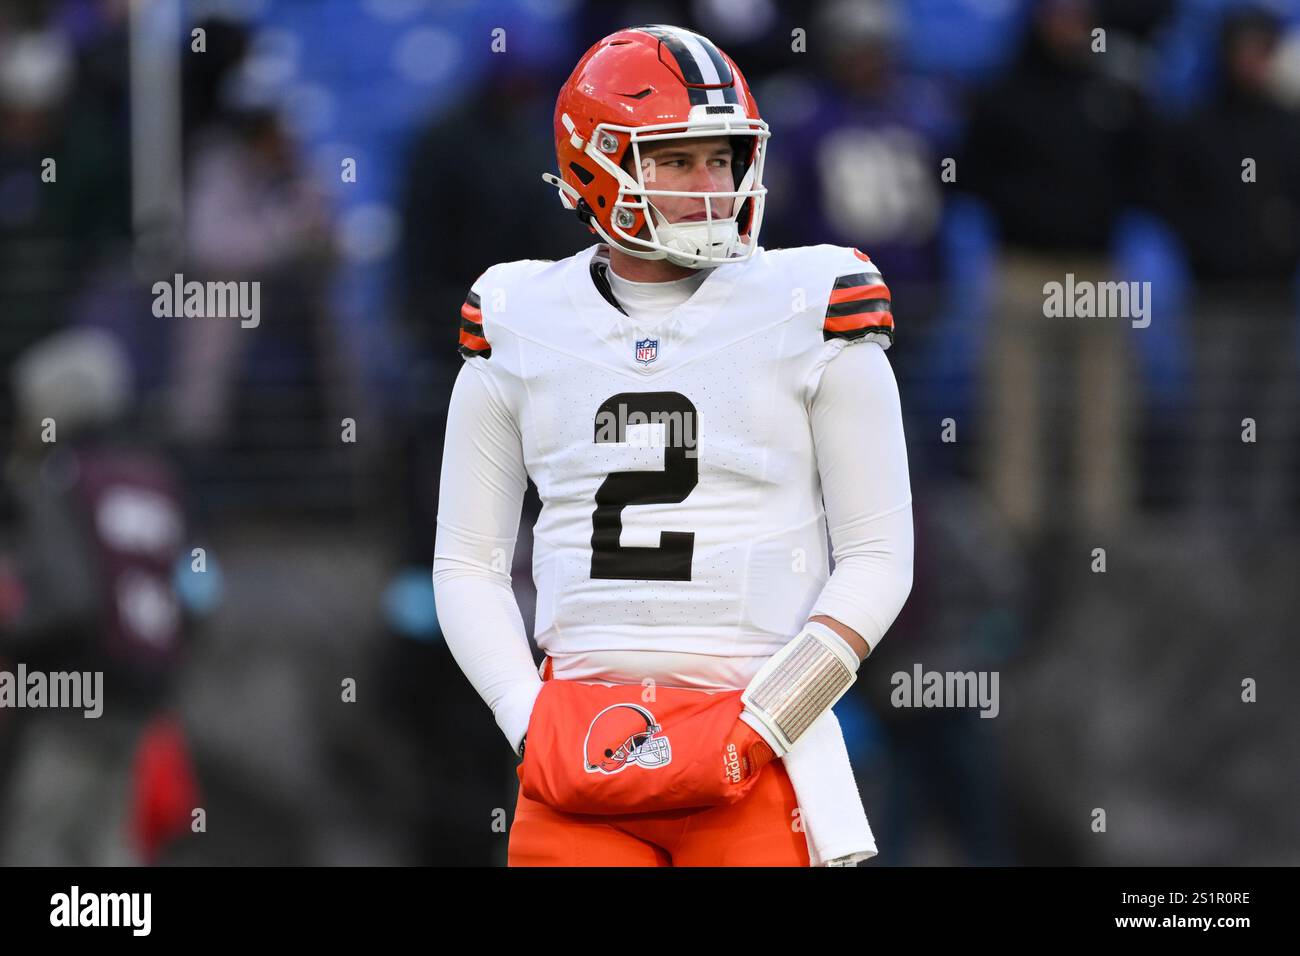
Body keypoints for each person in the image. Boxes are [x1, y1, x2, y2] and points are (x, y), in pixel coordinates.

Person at [432, 24, 913, 866]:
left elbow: (878, 557)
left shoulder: (812, 299)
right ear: (596, 163)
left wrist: (766, 722)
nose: (710, 185)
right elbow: (466, 563)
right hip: (583, 745)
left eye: (722, 159)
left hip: (760, 747)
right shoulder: (517, 316)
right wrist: (527, 718)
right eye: (676, 160)